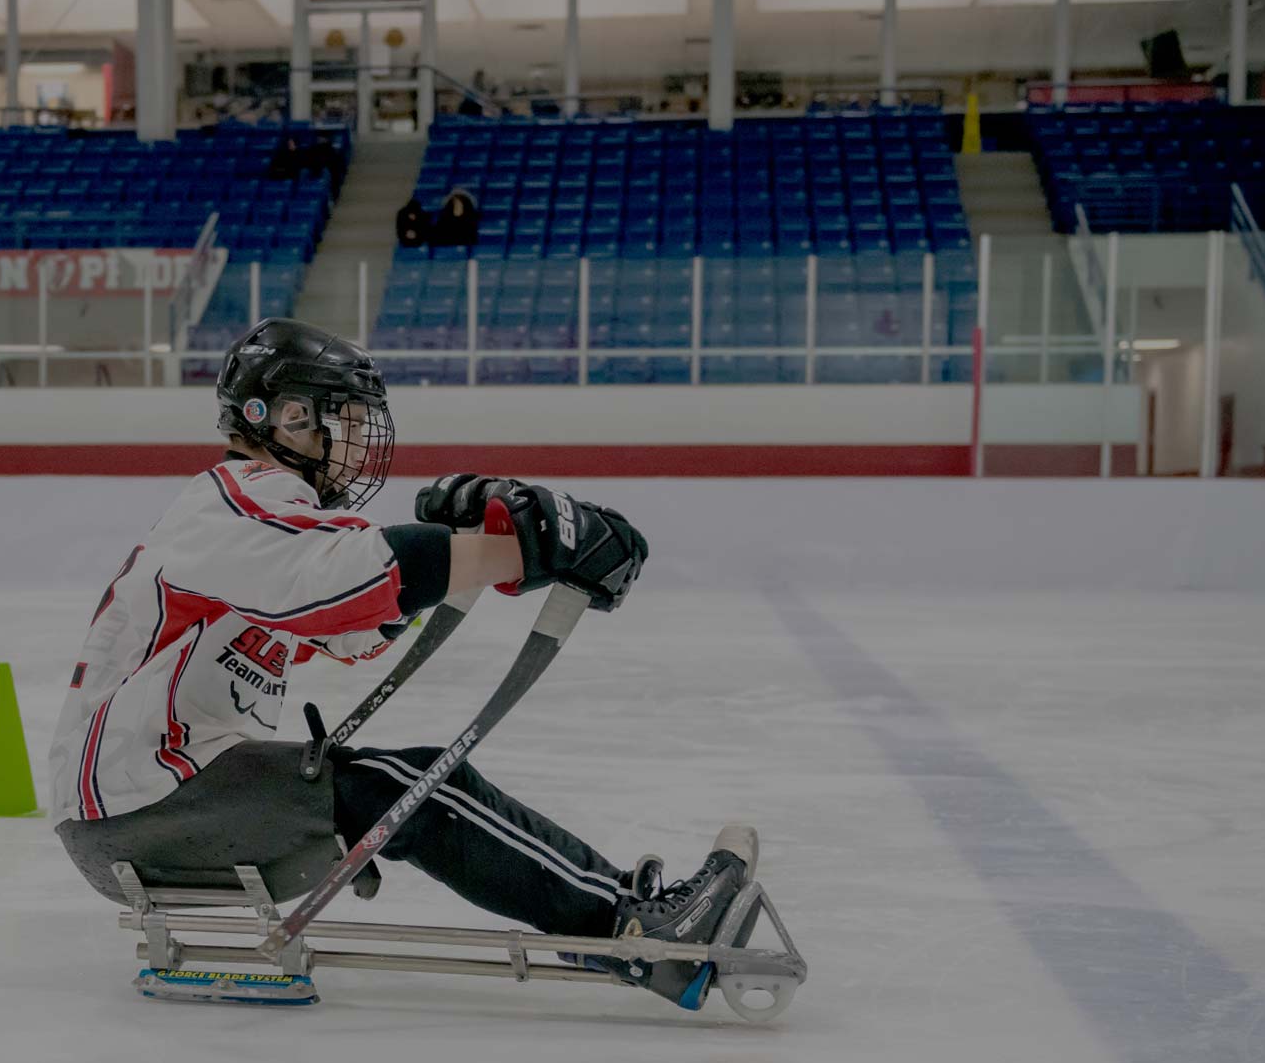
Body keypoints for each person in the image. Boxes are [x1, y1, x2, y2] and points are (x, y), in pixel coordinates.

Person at [46, 318, 752, 1007]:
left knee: (399, 784)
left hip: (147, 806)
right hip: (140, 804)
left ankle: (616, 916)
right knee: (408, 786)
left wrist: (463, 543)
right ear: (287, 417)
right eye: (343, 418)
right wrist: (524, 545)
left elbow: (356, 628)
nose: (357, 442)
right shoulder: (237, 502)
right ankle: (633, 928)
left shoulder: (257, 519)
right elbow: (349, 578)